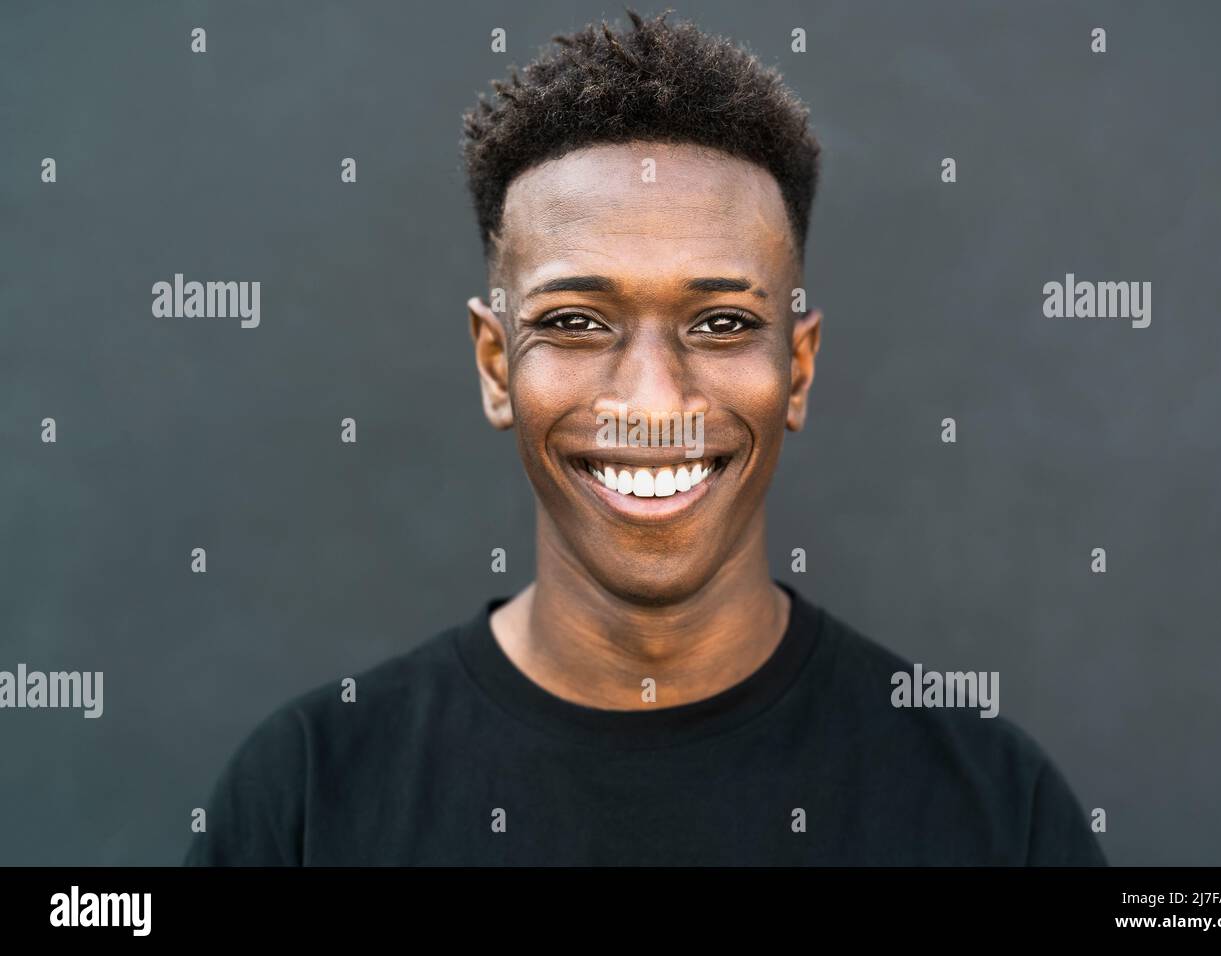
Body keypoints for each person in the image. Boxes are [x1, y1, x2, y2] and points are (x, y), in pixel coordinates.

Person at [185, 9, 1105, 866]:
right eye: (578, 323)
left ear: (801, 366)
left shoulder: (993, 809)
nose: (652, 401)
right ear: (497, 365)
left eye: (723, 324)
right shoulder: (308, 797)